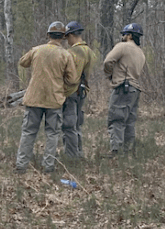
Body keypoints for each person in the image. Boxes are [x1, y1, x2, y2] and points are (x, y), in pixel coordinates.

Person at [15, 22, 77, 174]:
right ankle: (48, 166)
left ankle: (21, 165)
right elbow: (73, 79)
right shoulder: (65, 55)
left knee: (28, 132)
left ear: (48, 35)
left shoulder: (37, 50)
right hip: (54, 99)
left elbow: (22, 62)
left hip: (34, 98)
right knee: (52, 134)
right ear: (63, 37)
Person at [103, 21, 147, 157]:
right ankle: (128, 151)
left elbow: (108, 61)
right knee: (129, 122)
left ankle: (115, 151)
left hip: (123, 87)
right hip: (135, 89)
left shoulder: (122, 46)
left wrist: (110, 75)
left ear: (130, 35)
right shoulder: (141, 53)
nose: (123, 36)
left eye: (125, 34)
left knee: (116, 119)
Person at [61, 20, 96, 161]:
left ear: (71, 35)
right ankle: (79, 153)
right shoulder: (89, 51)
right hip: (82, 91)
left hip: (71, 92)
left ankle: (71, 157)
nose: (67, 41)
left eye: (67, 37)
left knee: (69, 126)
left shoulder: (73, 52)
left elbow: (69, 75)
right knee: (76, 125)